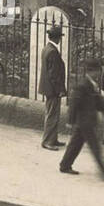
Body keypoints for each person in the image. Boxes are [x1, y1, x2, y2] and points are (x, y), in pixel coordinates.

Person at [59, 57, 104, 180]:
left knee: (76, 144)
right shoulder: (83, 85)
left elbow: (97, 101)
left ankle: (65, 165)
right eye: (98, 70)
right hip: (85, 121)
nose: (100, 73)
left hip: (86, 121)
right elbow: (74, 103)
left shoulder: (91, 84)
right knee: (95, 147)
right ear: (92, 71)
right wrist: (70, 120)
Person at [38, 22, 66, 150]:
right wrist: (60, 90)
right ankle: (47, 141)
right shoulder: (53, 52)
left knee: (52, 113)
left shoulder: (47, 48)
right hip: (52, 89)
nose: (60, 39)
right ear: (57, 38)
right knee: (52, 115)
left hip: (48, 88)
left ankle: (53, 139)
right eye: (59, 37)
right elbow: (54, 74)